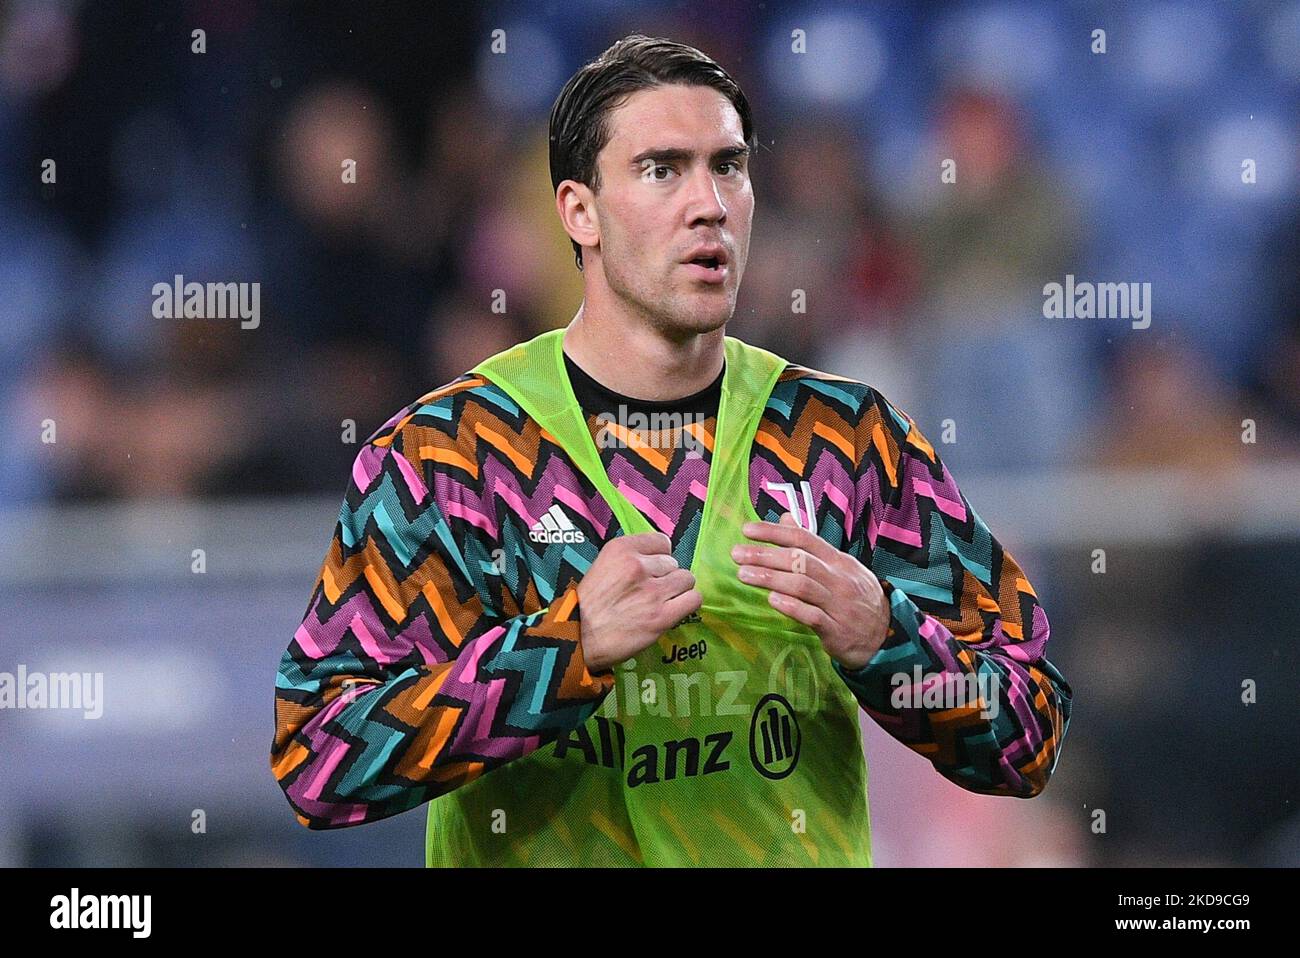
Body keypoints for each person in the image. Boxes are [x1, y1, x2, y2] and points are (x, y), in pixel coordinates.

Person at [270, 34, 1072, 867]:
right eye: (662, 169)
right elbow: (319, 762)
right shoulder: (452, 456)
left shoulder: (845, 440)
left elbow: (1031, 728)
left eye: (728, 166)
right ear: (579, 210)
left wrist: (888, 638)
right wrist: (563, 651)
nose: (709, 204)